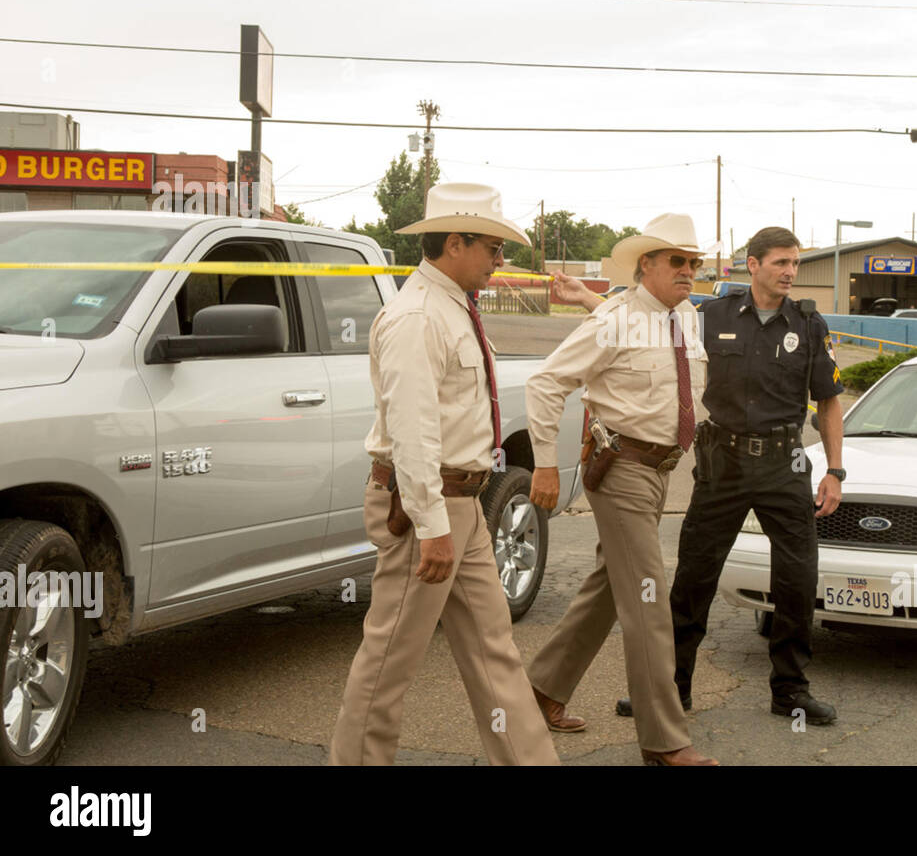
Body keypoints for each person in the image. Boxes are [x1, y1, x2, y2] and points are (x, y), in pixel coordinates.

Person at [329, 182, 560, 766]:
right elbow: (412, 433)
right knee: (389, 661)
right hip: (425, 508)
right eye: (492, 248)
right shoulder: (416, 317)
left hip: (462, 507)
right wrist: (432, 526)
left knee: (494, 650)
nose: (500, 262)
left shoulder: (451, 306)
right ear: (454, 242)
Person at [613, 226, 846, 724]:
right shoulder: (708, 316)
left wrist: (835, 472)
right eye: (780, 262)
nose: (789, 272)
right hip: (724, 459)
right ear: (753, 264)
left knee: (798, 578)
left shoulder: (808, 324)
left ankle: (790, 691)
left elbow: (828, 401)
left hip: (787, 461)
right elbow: (654, 344)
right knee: (694, 575)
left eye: (795, 264)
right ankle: (672, 689)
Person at [526, 213, 719, 766]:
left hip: (662, 472)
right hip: (622, 471)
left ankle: (539, 693)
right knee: (650, 601)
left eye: (693, 262)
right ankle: (664, 742)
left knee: (610, 588)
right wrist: (543, 464)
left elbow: (643, 337)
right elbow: (546, 382)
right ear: (646, 266)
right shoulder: (614, 318)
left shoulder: (683, 315)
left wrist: (590, 301)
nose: (688, 271)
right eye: (677, 261)